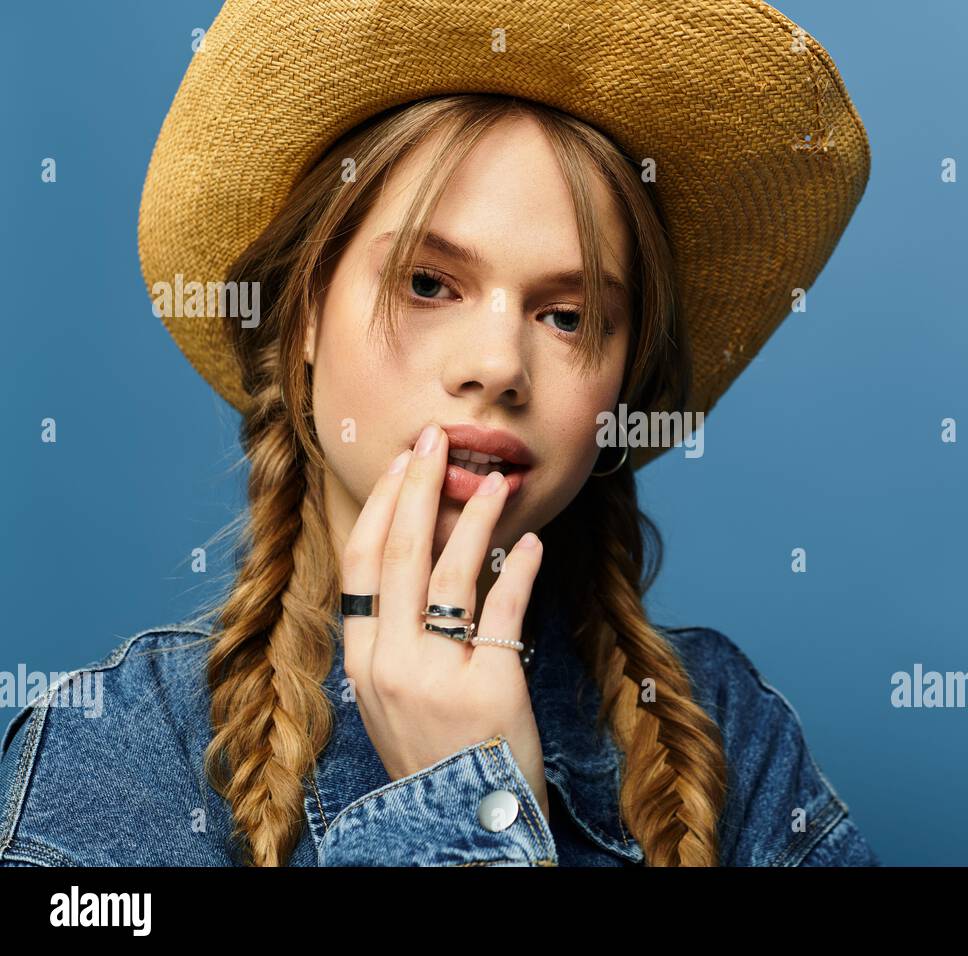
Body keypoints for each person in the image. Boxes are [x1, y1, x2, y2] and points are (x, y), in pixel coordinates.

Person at [0, 0, 877, 866]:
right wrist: (469, 808)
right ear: (303, 315)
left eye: (569, 316)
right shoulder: (120, 752)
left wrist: (473, 800)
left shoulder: (729, 731)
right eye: (428, 283)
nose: (499, 365)